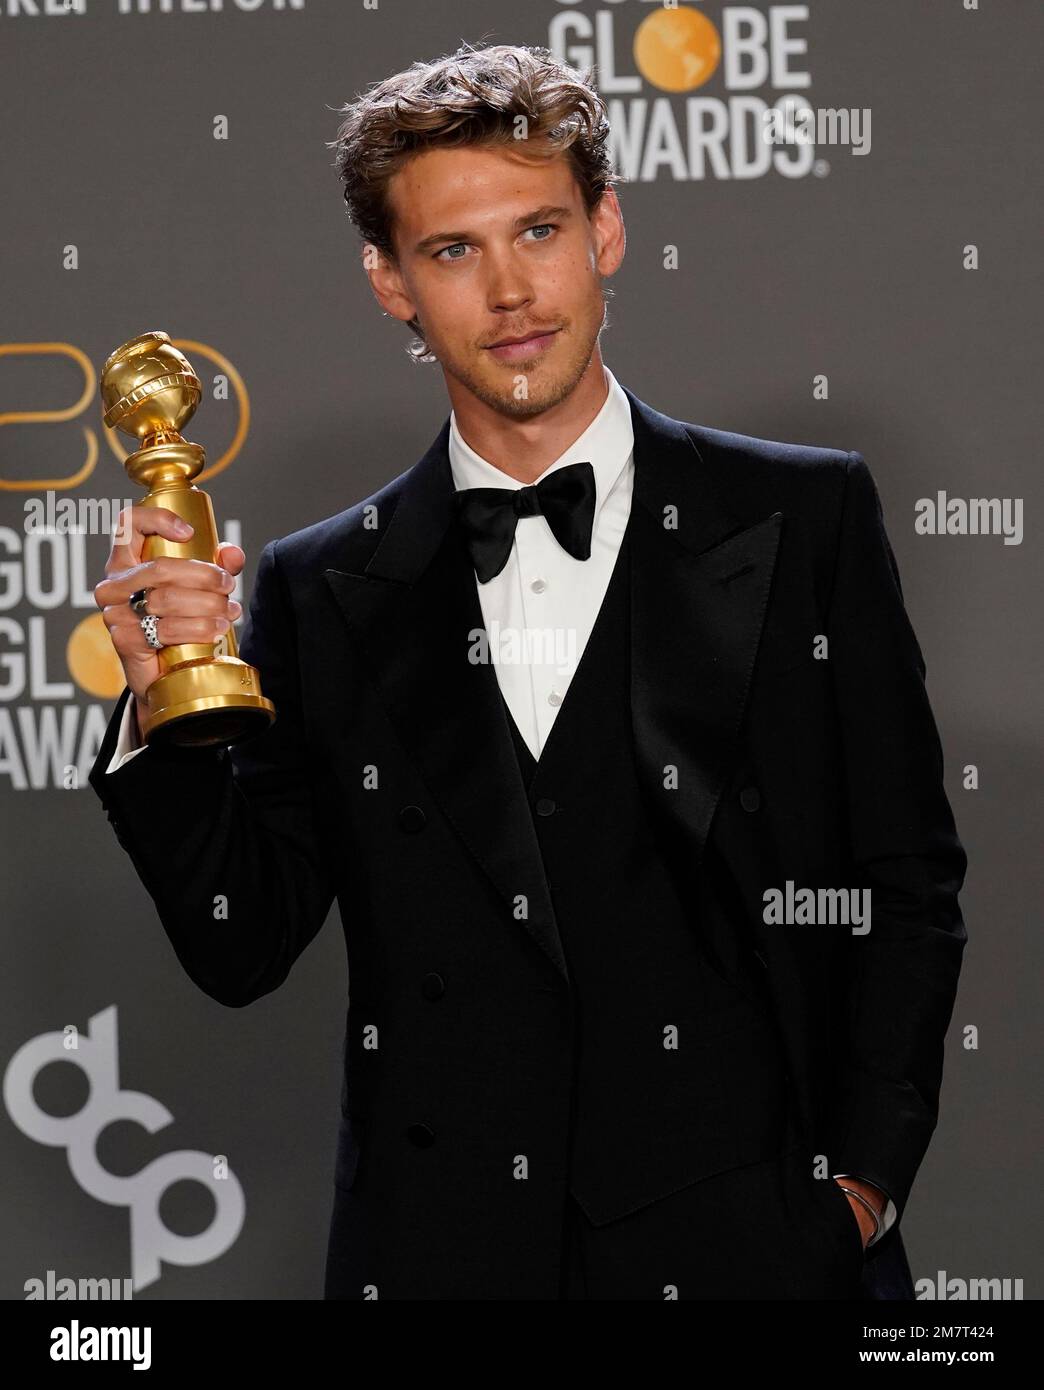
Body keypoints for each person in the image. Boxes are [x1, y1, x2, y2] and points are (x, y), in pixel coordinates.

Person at [89, 43, 967, 1300]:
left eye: (539, 229)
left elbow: (907, 878)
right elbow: (243, 945)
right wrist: (158, 709)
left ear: (606, 231)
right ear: (389, 282)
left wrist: (862, 1191)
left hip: (756, 1252)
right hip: (445, 1255)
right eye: (453, 251)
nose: (510, 290)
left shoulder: (801, 515)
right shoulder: (321, 584)